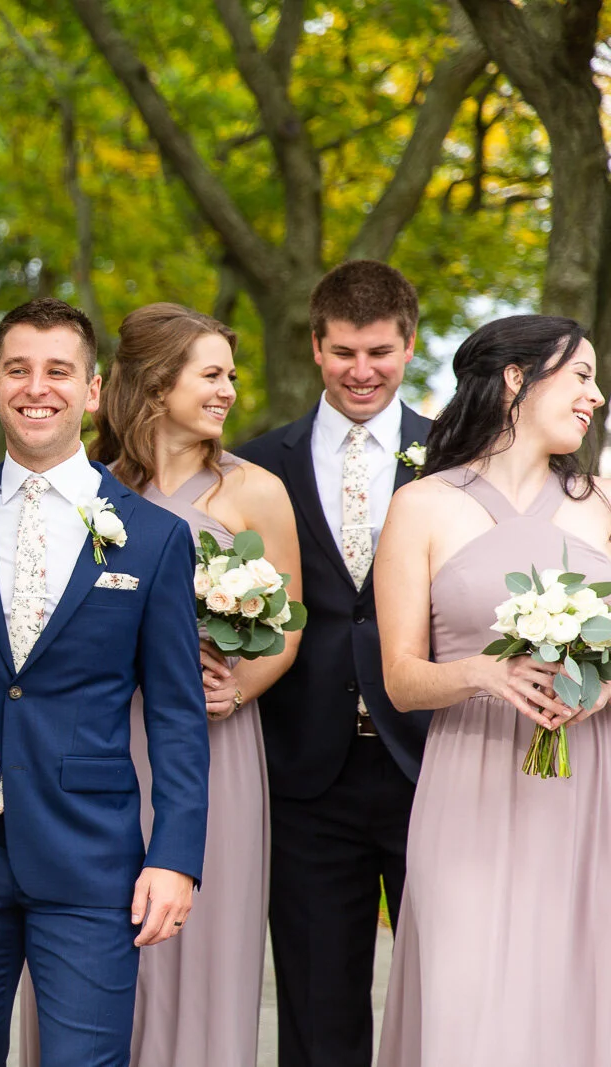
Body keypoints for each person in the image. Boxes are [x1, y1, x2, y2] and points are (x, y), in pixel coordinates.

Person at [0, 297, 209, 1067]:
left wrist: (175, 854)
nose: (35, 387)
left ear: (94, 389)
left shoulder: (154, 536)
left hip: (89, 855)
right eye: (17, 370)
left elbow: (177, 713)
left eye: (57, 371)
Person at [375, 315, 611, 1065]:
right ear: (517, 377)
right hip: (468, 787)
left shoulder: (603, 501)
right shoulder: (421, 506)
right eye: (580, 374)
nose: (596, 396)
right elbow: (400, 678)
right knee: (468, 1003)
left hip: (585, 795)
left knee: (570, 1000)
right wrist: (483, 670)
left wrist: (600, 688)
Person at [93, 303, 301, 1066]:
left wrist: (239, 686)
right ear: (156, 382)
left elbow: (289, 626)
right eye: (211, 375)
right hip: (108, 736)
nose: (227, 392)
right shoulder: (95, 492)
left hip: (216, 747)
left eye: (232, 377)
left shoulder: (257, 491)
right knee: (100, 937)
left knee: (207, 944)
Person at [237, 260, 433, 1067]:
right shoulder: (257, 463)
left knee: (444, 992)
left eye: (380, 352)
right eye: (345, 351)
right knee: (319, 1011)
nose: (363, 371)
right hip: (305, 773)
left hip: (431, 762)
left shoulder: (459, 454)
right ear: (315, 346)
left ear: (410, 345)